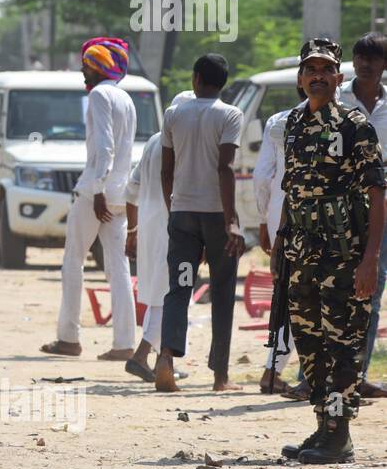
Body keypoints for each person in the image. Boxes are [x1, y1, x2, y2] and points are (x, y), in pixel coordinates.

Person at [276, 38, 385, 463]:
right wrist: (281, 242)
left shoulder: (355, 125)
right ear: (301, 79)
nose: (317, 75)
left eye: (325, 69)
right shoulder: (293, 124)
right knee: (310, 343)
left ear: (338, 78)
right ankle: (324, 425)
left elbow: (378, 192)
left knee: (343, 346)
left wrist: (371, 258)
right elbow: (292, 190)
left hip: (344, 256)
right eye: (309, 69)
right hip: (302, 255)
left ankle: (339, 434)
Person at [39, 37, 137, 360]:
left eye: (86, 65)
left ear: (97, 67)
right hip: (121, 194)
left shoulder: (98, 95)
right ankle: (124, 344)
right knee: (118, 267)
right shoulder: (127, 98)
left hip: (96, 192)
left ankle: (69, 338)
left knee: (73, 262)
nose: (83, 72)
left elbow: (104, 148)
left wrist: (97, 191)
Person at [156, 53, 245, 393]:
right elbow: (225, 168)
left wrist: (173, 210)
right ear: (222, 82)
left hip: (183, 214)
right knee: (222, 291)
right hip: (216, 216)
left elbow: (166, 171)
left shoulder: (174, 114)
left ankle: (166, 356)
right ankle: (220, 377)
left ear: (195, 78)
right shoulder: (230, 115)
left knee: (180, 288)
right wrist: (230, 220)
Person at [122, 90, 193, 382]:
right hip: (171, 226)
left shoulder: (153, 140)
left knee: (159, 295)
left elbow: (132, 189)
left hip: (150, 226)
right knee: (172, 294)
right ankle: (143, 354)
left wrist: (133, 229)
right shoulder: (180, 141)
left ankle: (163, 360)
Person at [336, 32, 387, 398]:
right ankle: (329, 375)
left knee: (374, 289)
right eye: (360, 56)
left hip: (383, 209)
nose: (366, 63)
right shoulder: (337, 101)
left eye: (374, 57)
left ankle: (360, 374)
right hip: (344, 211)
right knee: (340, 290)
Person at [254, 86, 309, 398]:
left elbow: (262, 177)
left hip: (278, 213)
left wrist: (264, 219)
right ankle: (277, 371)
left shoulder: (277, 122)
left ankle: (273, 369)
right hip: (313, 218)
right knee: (307, 296)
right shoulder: (339, 121)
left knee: (285, 295)